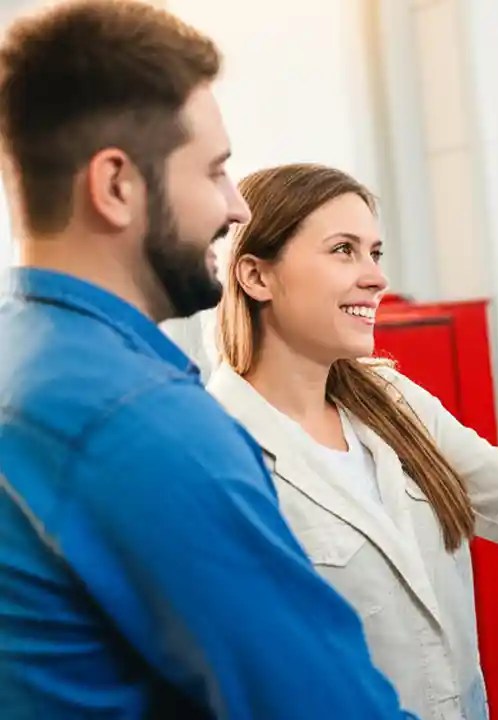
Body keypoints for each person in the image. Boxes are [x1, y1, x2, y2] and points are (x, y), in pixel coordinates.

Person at [0, 2, 422, 717]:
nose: (234, 208)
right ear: (116, 186)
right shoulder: (137, 420)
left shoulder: (26, 357)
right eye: (216, 172)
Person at [205, 162, 498, 720]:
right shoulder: (218, 450)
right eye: (343, 250)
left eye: (375, 252)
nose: (376, 277)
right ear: (255, 276)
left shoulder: (390, 400)